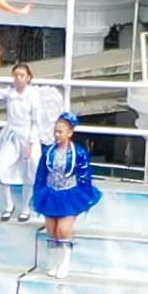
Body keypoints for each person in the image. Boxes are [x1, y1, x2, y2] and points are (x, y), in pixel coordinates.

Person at [0, 62, 67, 222]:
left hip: (29, 137)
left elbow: (36, 121)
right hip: (12, 135)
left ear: (28, 78)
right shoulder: (10, 93)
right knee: (0, 167)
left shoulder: (32, 96)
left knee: (30, 172)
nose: (18, 79)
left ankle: (25, 208)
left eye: (22, 76)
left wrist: (31, 143)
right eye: (16, 75)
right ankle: (9, 205)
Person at [29, 113, 99, 274]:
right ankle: (54, 261)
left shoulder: (78, 153)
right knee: (52, 231)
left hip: (70, 194)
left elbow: (85, 175)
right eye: (55, 131)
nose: (57, 135)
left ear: (69, 132)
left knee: (63, 229)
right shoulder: (48, 152)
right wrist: (39, 191)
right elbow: (41, 173)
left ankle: (65, 261)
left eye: (60, 131)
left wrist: (85, 195)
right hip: (51, 193)